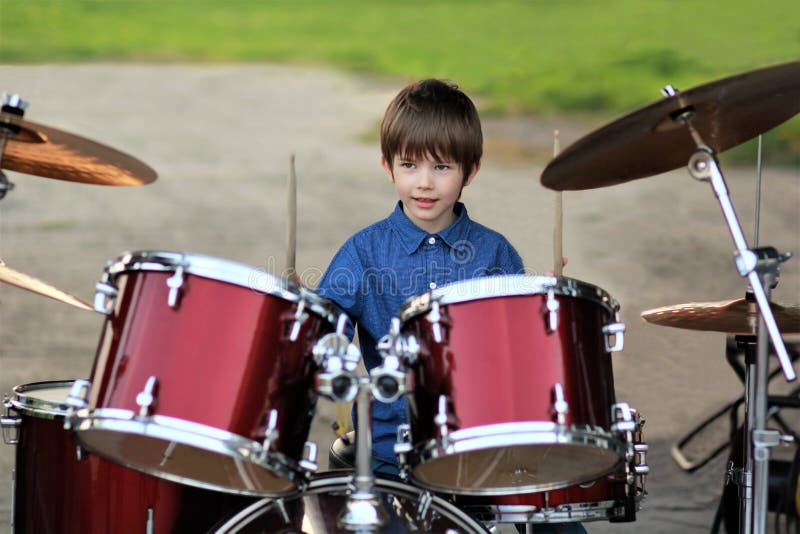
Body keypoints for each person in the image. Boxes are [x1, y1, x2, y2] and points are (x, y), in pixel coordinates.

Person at [314, 78, 524, 473]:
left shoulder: (495, 252)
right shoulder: (362, 251)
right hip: (386, 450)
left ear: (470, 170)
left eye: (441, 166)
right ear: (387, 166)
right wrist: (305, 315)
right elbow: (326, 336)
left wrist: (541, 305)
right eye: (409, 165)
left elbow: (519, 353)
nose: (424, 182)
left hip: (475, 447)